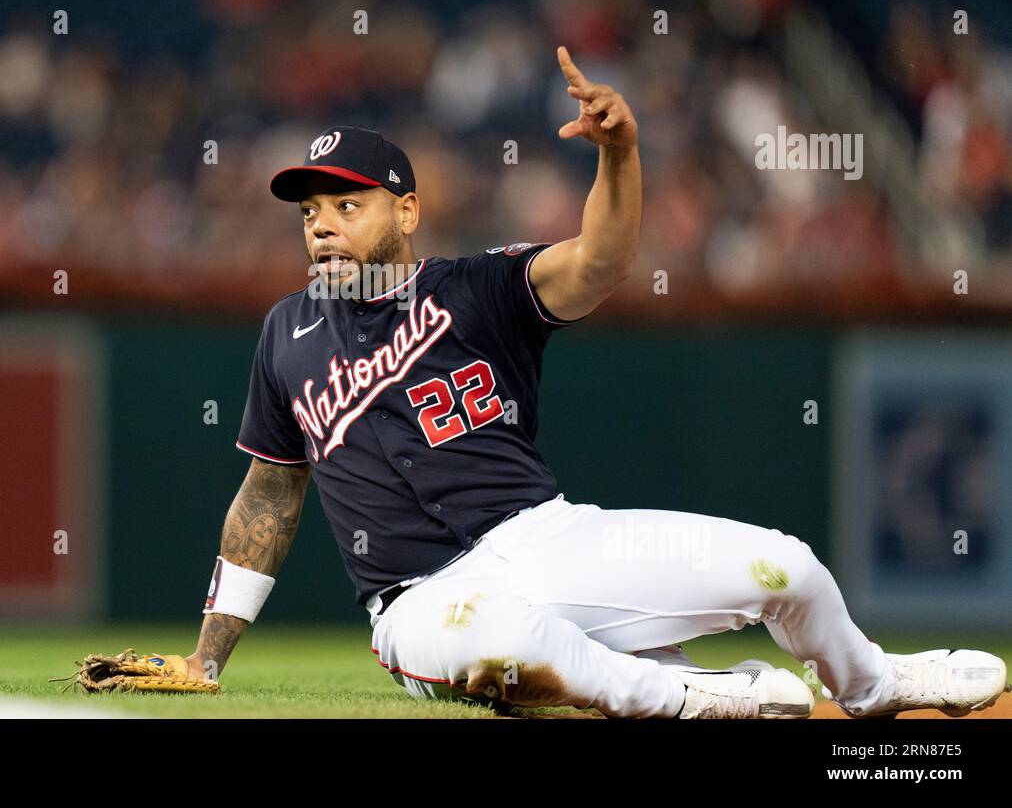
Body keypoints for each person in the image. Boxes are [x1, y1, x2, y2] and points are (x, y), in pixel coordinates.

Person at [180, 47, 1008, 718]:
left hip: (548, 540)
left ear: (406, 212)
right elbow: (269, 497)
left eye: (346, 205)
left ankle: (871, 683)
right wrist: (207, 659)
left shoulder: (476, 289)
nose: (322, 225)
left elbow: (601, 263)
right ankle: (696, 696)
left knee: (786, 569)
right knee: (510, 650)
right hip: (422, 601)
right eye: (309, 212)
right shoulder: (285, 333)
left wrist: (618, 155)